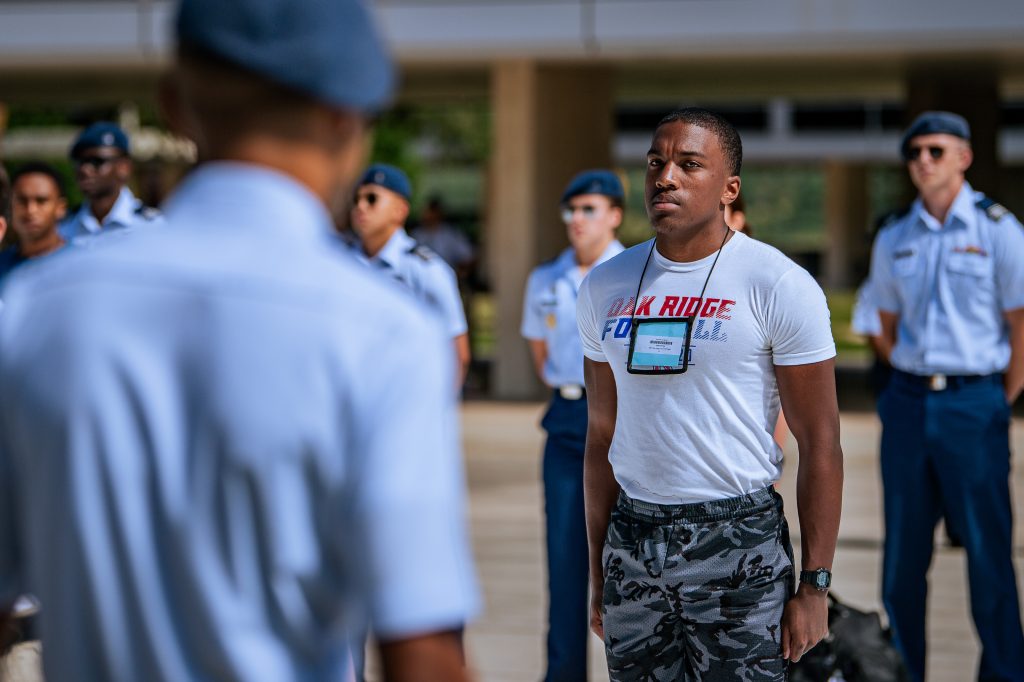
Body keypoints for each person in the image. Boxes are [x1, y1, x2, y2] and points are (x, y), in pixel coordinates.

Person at [0, 0, 479, 680]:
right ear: (349, 118)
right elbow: (424, 651)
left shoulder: (36, 311)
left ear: (175, 105)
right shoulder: (381, 333)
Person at [576, 108, 843, 680]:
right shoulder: (605, 285)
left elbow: (821, 442)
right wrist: (600, 567)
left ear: (729, 188)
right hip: (634, 542)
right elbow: (601, 435)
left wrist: (815, 586)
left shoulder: (777, 284)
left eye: (689, 164)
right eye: (655, 162)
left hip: (738, 544)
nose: (665, 177)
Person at [864, 110, 1024, 682]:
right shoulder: (895, 234)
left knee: (987, 553)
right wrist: (912, 376)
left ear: (964, 157)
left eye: (935, 150)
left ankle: (1005, 673)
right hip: (908, 404)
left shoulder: (998, 229)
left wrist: (993, 398)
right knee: (903, 561)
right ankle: (905, 673)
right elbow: (881, 322)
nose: (923, 161)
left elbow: (1020, 322)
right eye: (915, 153)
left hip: (973, 404)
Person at [520, 169, 625, 681]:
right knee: (565, 563)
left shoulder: (636, 274)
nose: (578, 220)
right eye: (572, 210)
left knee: (628, 564)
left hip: (626, 420)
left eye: (590, 209)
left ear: (615, 216)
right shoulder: (546, 277)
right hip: (566, 418)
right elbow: (541, 352)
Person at [350, 164, 471, 386]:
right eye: (356, 199)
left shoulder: (426, 270)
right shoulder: (341, 263)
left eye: (372, 199)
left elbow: (456, 351)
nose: (361, 207)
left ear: (400, 210)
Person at [60, 121, 161, 241]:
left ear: (124, 167)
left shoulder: (153, 227)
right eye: (80, 162)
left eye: (97, 161)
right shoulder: (63, 227)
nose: (85, 170)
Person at [0, 162, 68, 287]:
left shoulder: (80, 263)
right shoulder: (1, 266)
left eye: (41, 201)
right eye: (21, 200)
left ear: (60, 207)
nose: (31, 210)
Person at [410, 197, 476, 277]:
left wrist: (459, 275)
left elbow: (468, 256)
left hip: (444, 277)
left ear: (438, 213)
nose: (427, 215)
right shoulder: (417, 234)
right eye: (426, 212)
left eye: (431, 212)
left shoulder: (450, 234)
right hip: (419, 278)